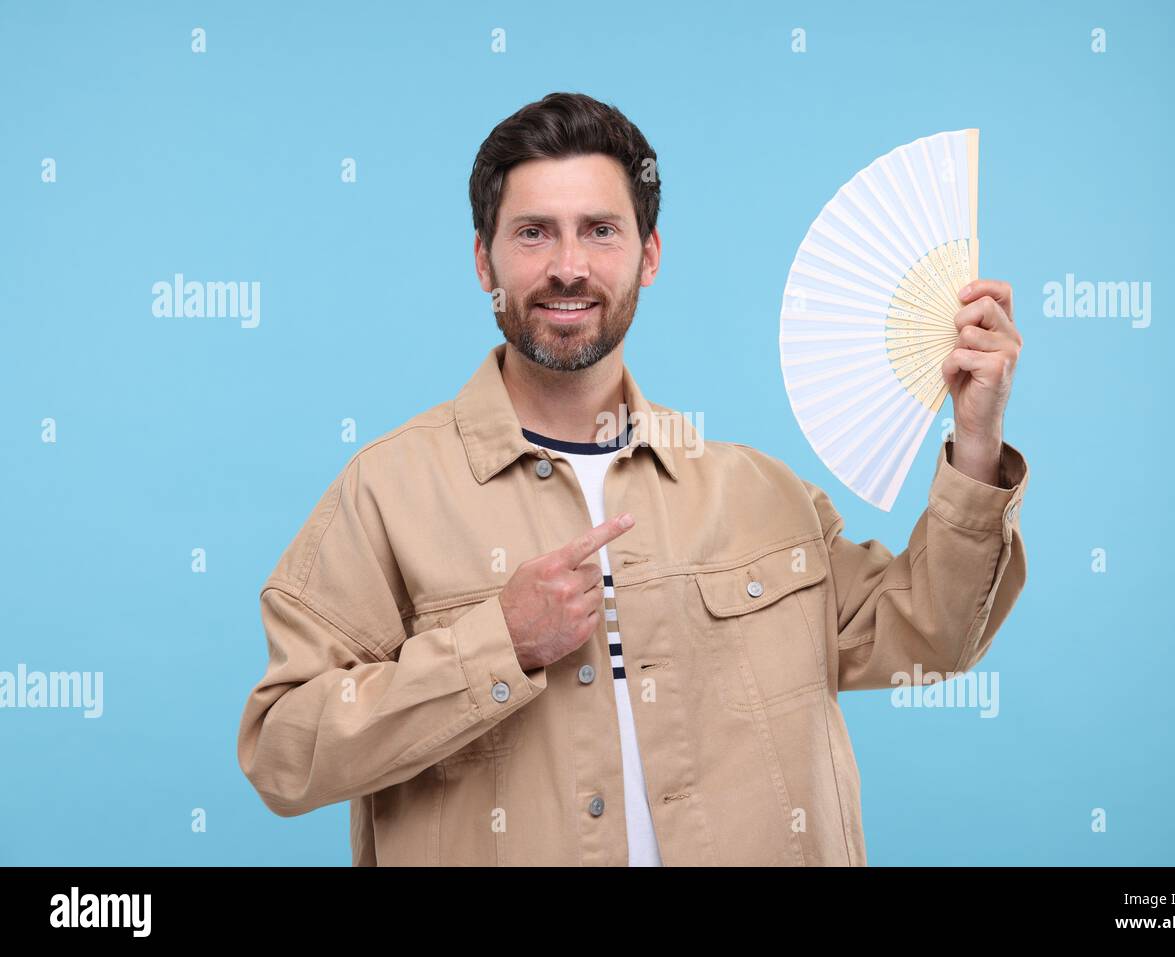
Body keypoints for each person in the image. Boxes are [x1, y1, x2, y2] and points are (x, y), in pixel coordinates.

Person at [236, 91, 1030, 866]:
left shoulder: (760, 493)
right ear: (486, 259)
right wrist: (495, 646)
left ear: (649, 255)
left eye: (601, 231)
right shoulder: (388, 490)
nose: (569, 266)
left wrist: (975, 436)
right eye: (534, 233)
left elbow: (933, 634)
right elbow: (282, 750)